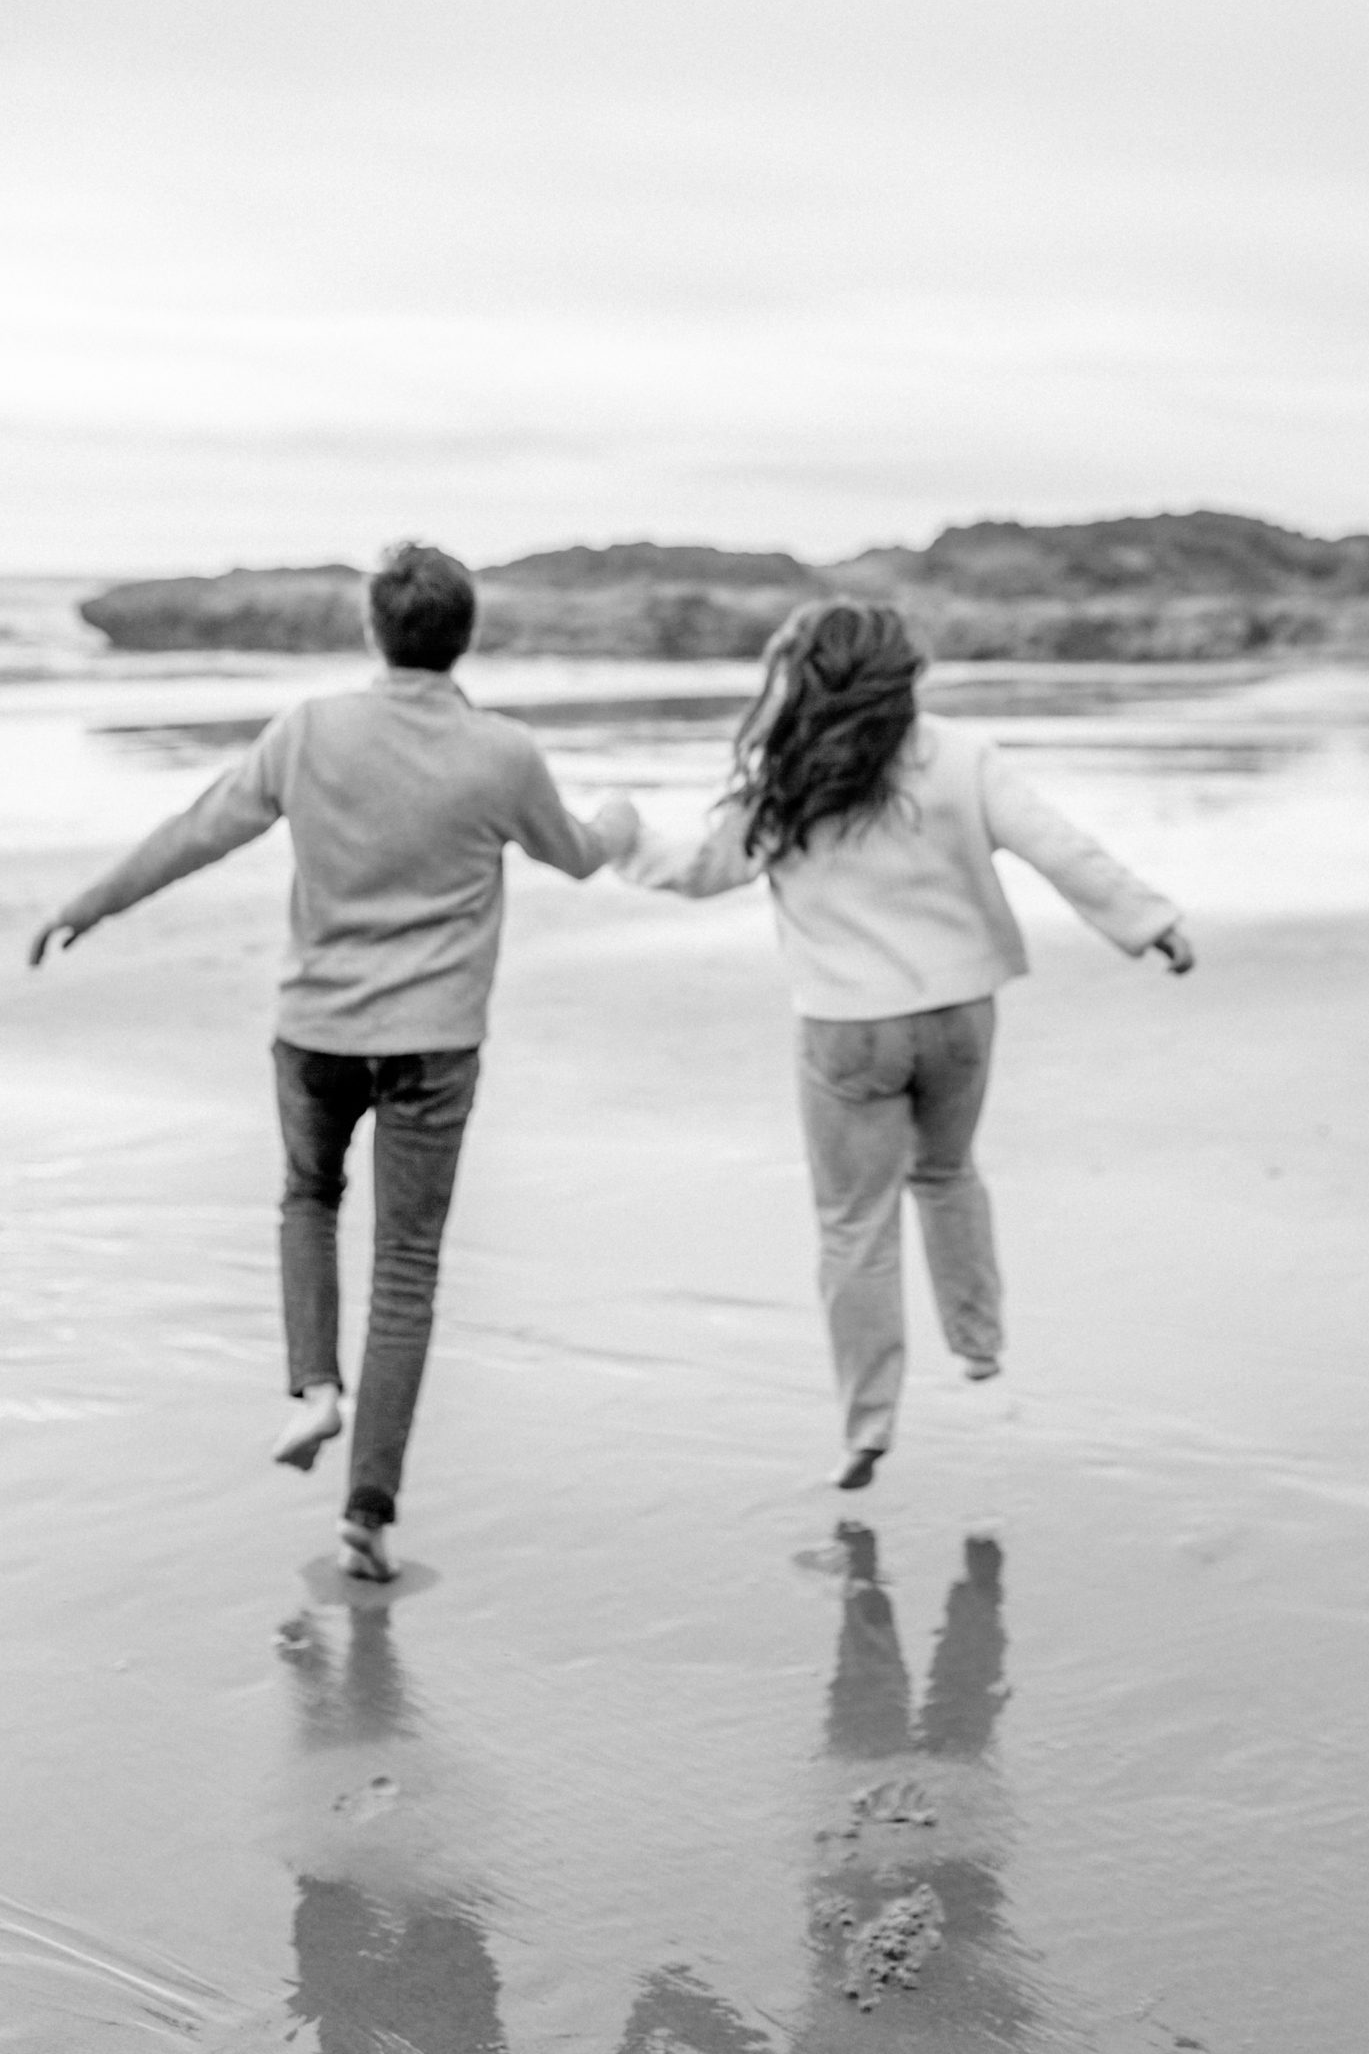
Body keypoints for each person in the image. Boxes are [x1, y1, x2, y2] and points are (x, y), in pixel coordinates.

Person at [28, 543, 637, 1581]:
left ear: (371, 629)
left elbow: (198, 832)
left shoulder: (309, 731)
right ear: (466, 636)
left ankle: (314, 1386)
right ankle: (367, 1513)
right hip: (435, 1042)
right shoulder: (502, 753)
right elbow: (577, 855)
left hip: (316, 1033)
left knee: (308, 1198)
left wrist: (90, 904)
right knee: (407, 1265)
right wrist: (618, 822)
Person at [609, 598, 1192, 1488]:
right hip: (959, 1012)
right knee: (946, 1172)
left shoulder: (788, 774)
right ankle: (978, 1342)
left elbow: (698, 870)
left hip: (848, 1027)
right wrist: (1149, 923)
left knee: (854, 1223)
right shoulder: (960, 756)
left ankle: (867, 1424)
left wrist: (621, 840)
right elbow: (1059, 847)